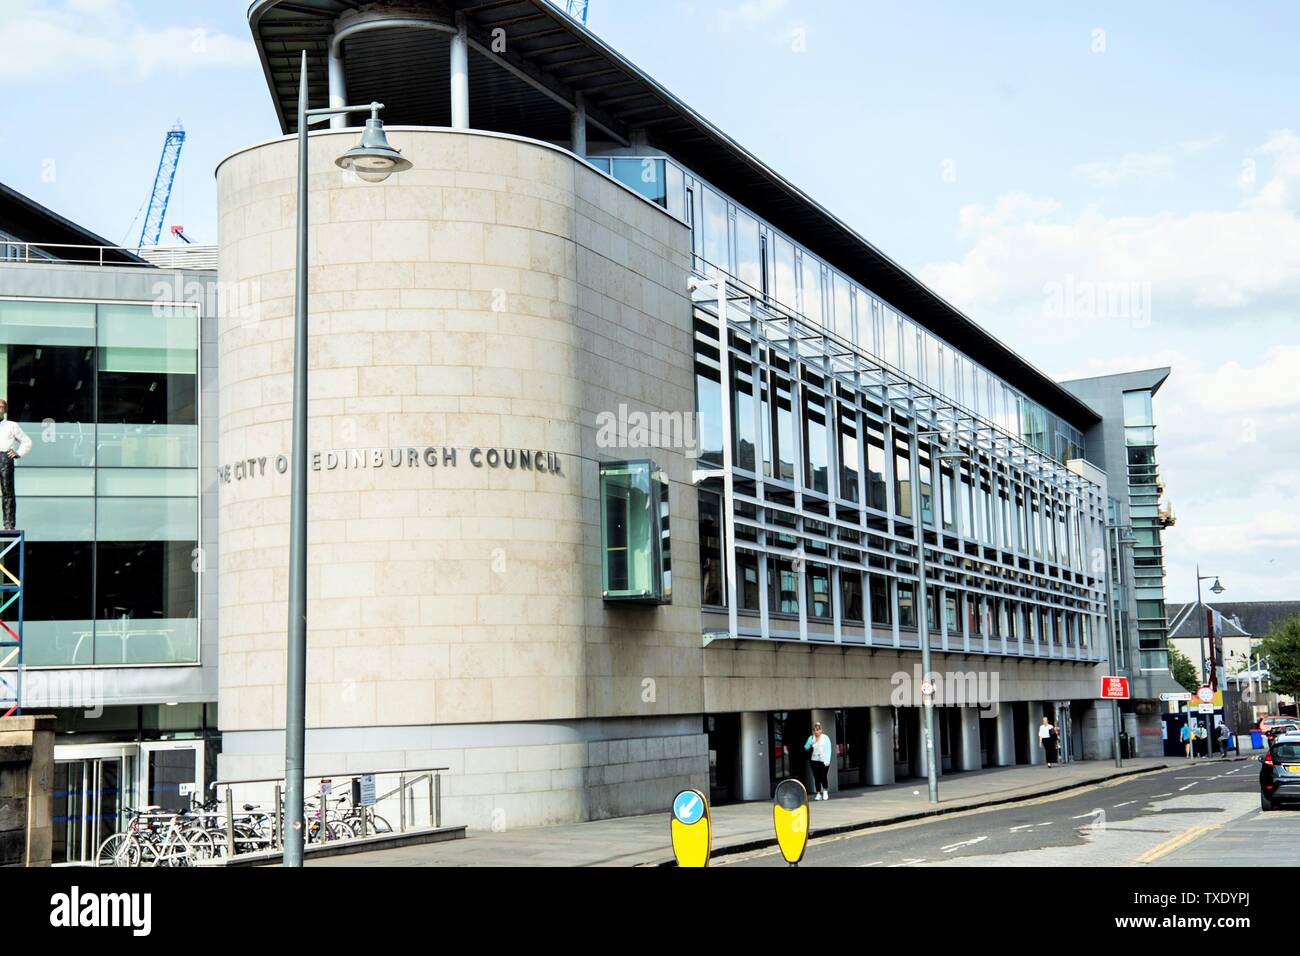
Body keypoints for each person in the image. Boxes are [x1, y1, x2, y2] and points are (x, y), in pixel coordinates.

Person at [0, 399, 32, 532]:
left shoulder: (11, 425)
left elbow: (27, 441)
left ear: (5, 410)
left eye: (1, 407)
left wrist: (18, 453)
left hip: (4, 458)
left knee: (8, 492)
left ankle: (9, 524)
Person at [803, 722, 833, 801]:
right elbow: (805, 748)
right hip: (814, 760)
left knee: (823, 776)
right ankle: (818, 793)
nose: (817, 732)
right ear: (813, 731)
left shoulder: (825, 737)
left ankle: (825, 791)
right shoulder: (811, 738)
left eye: (818, 730)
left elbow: (828, 749)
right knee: (816, 778)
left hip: (824, 761)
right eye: (815, 730)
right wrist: (810, 743)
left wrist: (827, 760)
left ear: (821, 730)